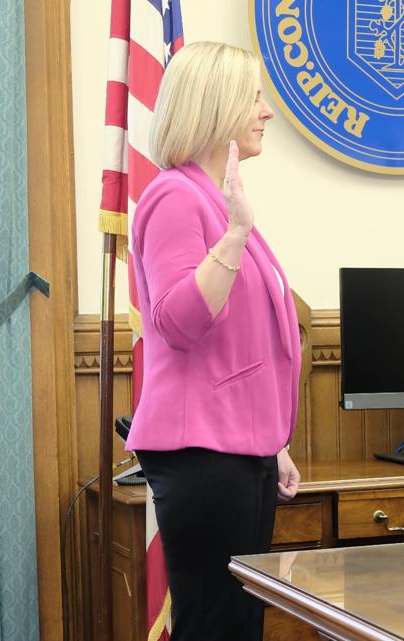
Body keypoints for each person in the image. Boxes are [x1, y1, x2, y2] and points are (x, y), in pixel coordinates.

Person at [125, 41, 303, 641]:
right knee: (215, 624)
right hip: (201, 452)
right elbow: (178, 322)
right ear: (216, 104)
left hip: (239, 449)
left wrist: (273, 442)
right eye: (254, 97)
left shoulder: (214, 197)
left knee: (240, 622)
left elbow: (248, 349)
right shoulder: (175, 196)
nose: (266, 111)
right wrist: (235, 233)